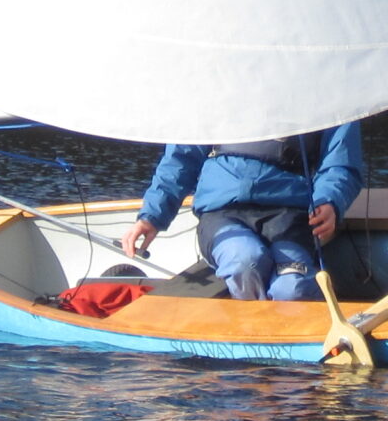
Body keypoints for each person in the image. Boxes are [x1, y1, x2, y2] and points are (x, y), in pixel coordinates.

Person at [123, 125, 365, 301]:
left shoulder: (328, 88)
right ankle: (256, 355)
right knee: (246, 261)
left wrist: (330, 202)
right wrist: (151, 216)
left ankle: (289, 364)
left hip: (290, 216)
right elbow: (179, 160)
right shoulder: (219, 82)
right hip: (222, 212)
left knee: (292, 289)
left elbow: (340, 163)